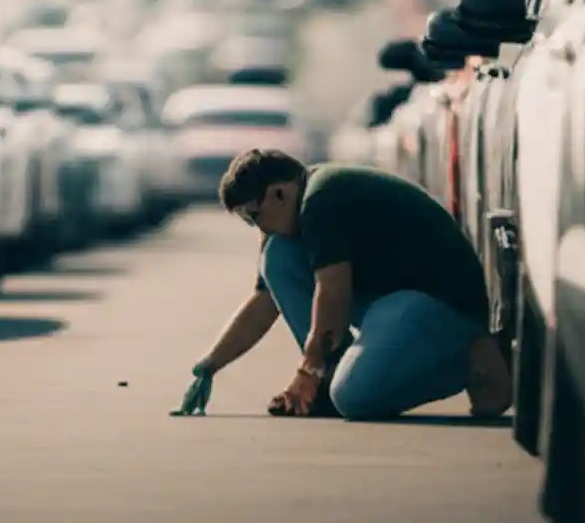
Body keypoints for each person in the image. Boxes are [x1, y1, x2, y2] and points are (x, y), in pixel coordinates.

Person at [175, 149, 512, 419]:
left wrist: (307, 372)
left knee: (352, 398)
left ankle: (471, 358)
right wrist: (209, 365)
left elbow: (332, 294)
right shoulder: (301, 206)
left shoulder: (321, 201)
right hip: (390, 302)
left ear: (278, 193)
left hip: (436, 301)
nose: (257, 227)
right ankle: (332, 374)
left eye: (254, 215)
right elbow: (264, 303)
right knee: (278, 258)